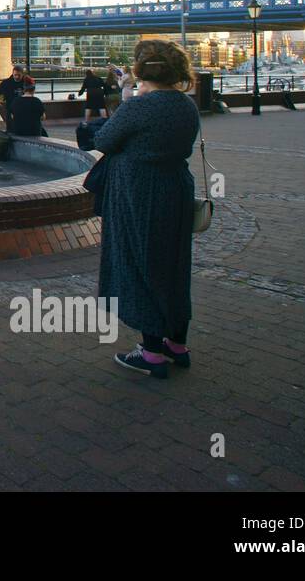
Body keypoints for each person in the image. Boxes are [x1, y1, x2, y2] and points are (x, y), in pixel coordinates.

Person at [92, 39, 200, 380]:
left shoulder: (139, 107)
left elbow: (103, 141)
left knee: (140, 262)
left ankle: (151, 352)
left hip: (138, 192)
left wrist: (126, 102)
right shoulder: (186, 105)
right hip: (176, 188)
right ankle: (176, 344)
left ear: (140, 72)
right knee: (174, 264)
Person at [0, 65, 27, 132]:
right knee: (10, 128)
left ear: (22, 74)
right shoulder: (7, 82)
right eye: (15, 75)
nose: (17, 77)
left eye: (19, 75)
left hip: (23, 109)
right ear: (12, 74)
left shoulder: (25, 82)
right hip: (10, 108)